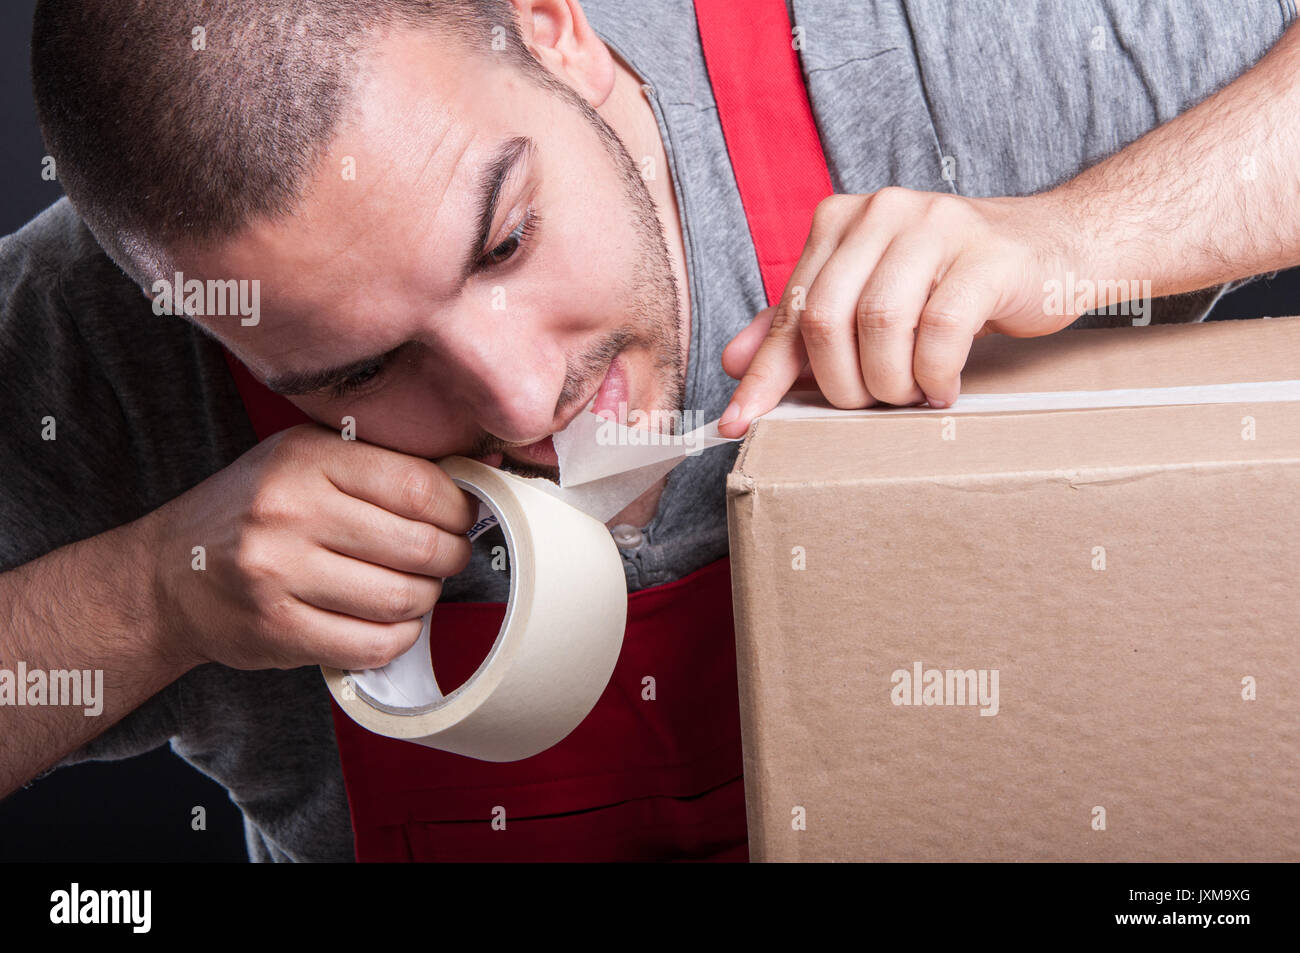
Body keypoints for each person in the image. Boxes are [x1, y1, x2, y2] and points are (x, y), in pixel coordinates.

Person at [1, 0, 1294, 861]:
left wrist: (1080, 237)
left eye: (504, 237)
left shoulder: (910, 67)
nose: (518, 401)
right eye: (365, 366)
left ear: (553, 26)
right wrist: (148, 597)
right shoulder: (107, 353)